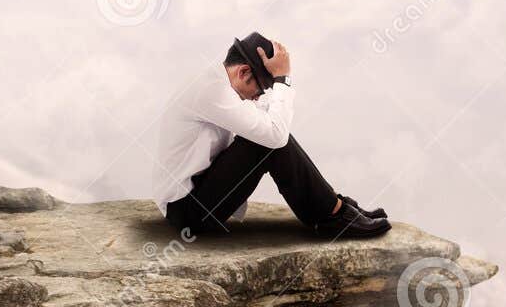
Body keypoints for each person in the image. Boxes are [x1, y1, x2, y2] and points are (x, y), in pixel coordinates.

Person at [153, 32, 390, 239]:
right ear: (244, 72)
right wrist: (283, 79)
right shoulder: (211, 89)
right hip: (187, 211)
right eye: (260, 89)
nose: (258, 97)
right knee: (269, 141)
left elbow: (271, 125)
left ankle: (334, 208)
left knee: (271, 135)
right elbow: (275, 134)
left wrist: (277, 85)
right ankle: (333, 216)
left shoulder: (217, 84)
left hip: (194, 200)